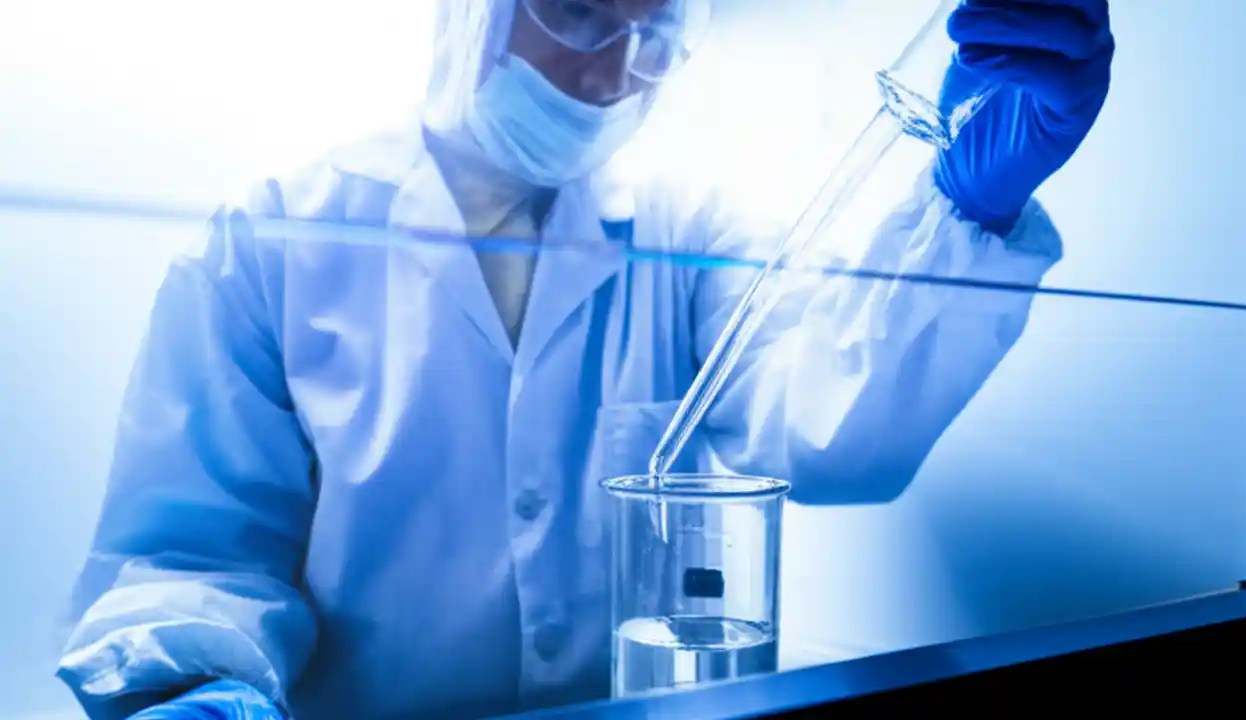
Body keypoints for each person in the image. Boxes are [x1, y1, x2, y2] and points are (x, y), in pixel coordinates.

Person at [57, 0, 1115, 718]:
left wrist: (966, 207)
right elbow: (192, 560)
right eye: (570, 8)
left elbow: (830, 439)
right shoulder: (274, 242)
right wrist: (195, 687)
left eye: (649, 30)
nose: (608, 71)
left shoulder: (683, 228)